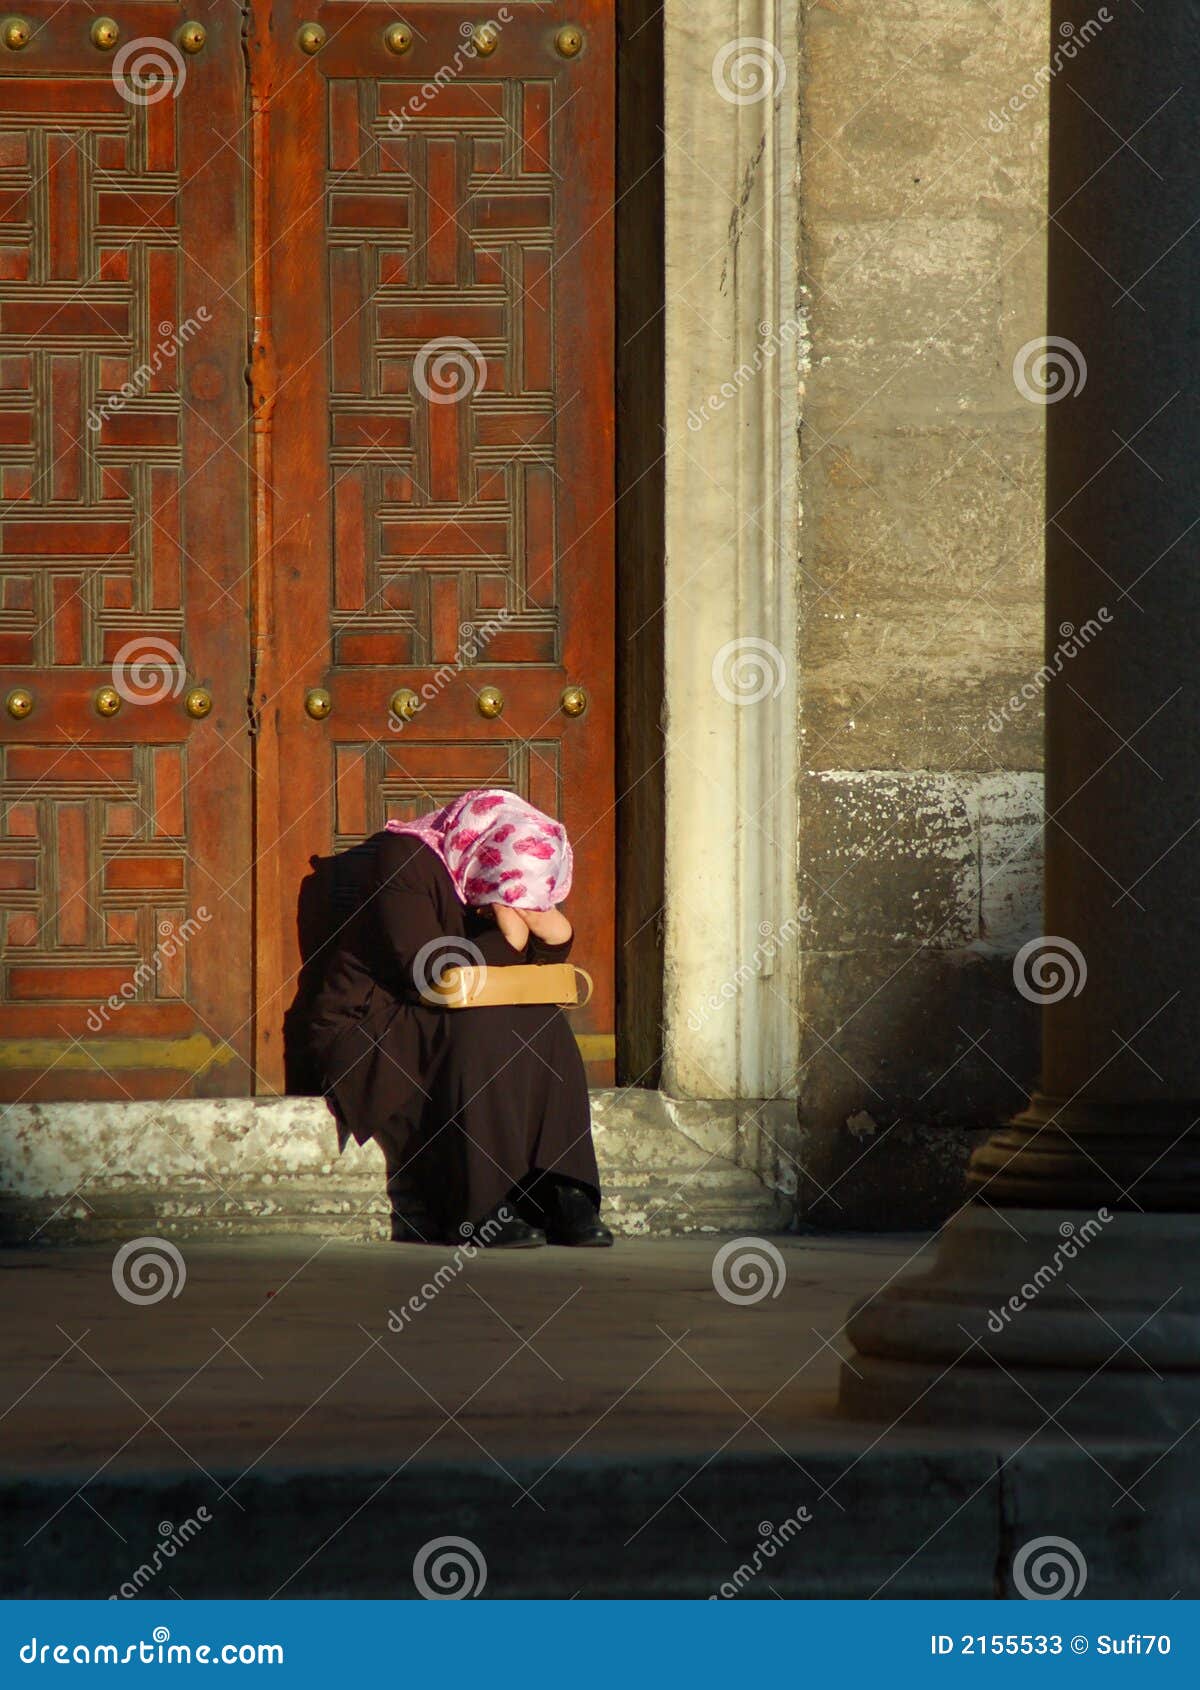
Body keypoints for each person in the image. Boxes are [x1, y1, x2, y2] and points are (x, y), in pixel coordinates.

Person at [305, 788, 612, 1249]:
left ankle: (561, 1187)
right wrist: (510, 937)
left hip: (447, 1014)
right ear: (487, 852)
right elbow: (429, 974)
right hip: (374, 1025)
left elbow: (522, 980)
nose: (517, 899)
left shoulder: (493, 881)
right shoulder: (404, 860)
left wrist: (555, 934)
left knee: (544, 1023)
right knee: (481, 1025)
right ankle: (479, 1204)